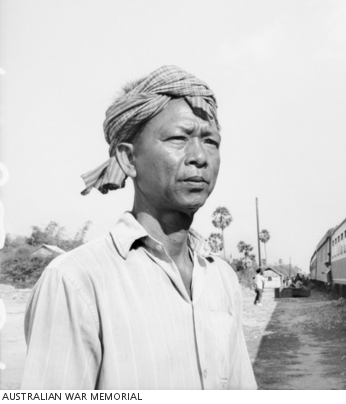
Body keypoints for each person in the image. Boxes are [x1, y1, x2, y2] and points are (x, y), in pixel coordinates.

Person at [21, 66, 257, 390]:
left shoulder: (221, 279)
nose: (200, 156)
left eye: (211, 142)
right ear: (129, 159)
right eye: (179, 138)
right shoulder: (76, 281)